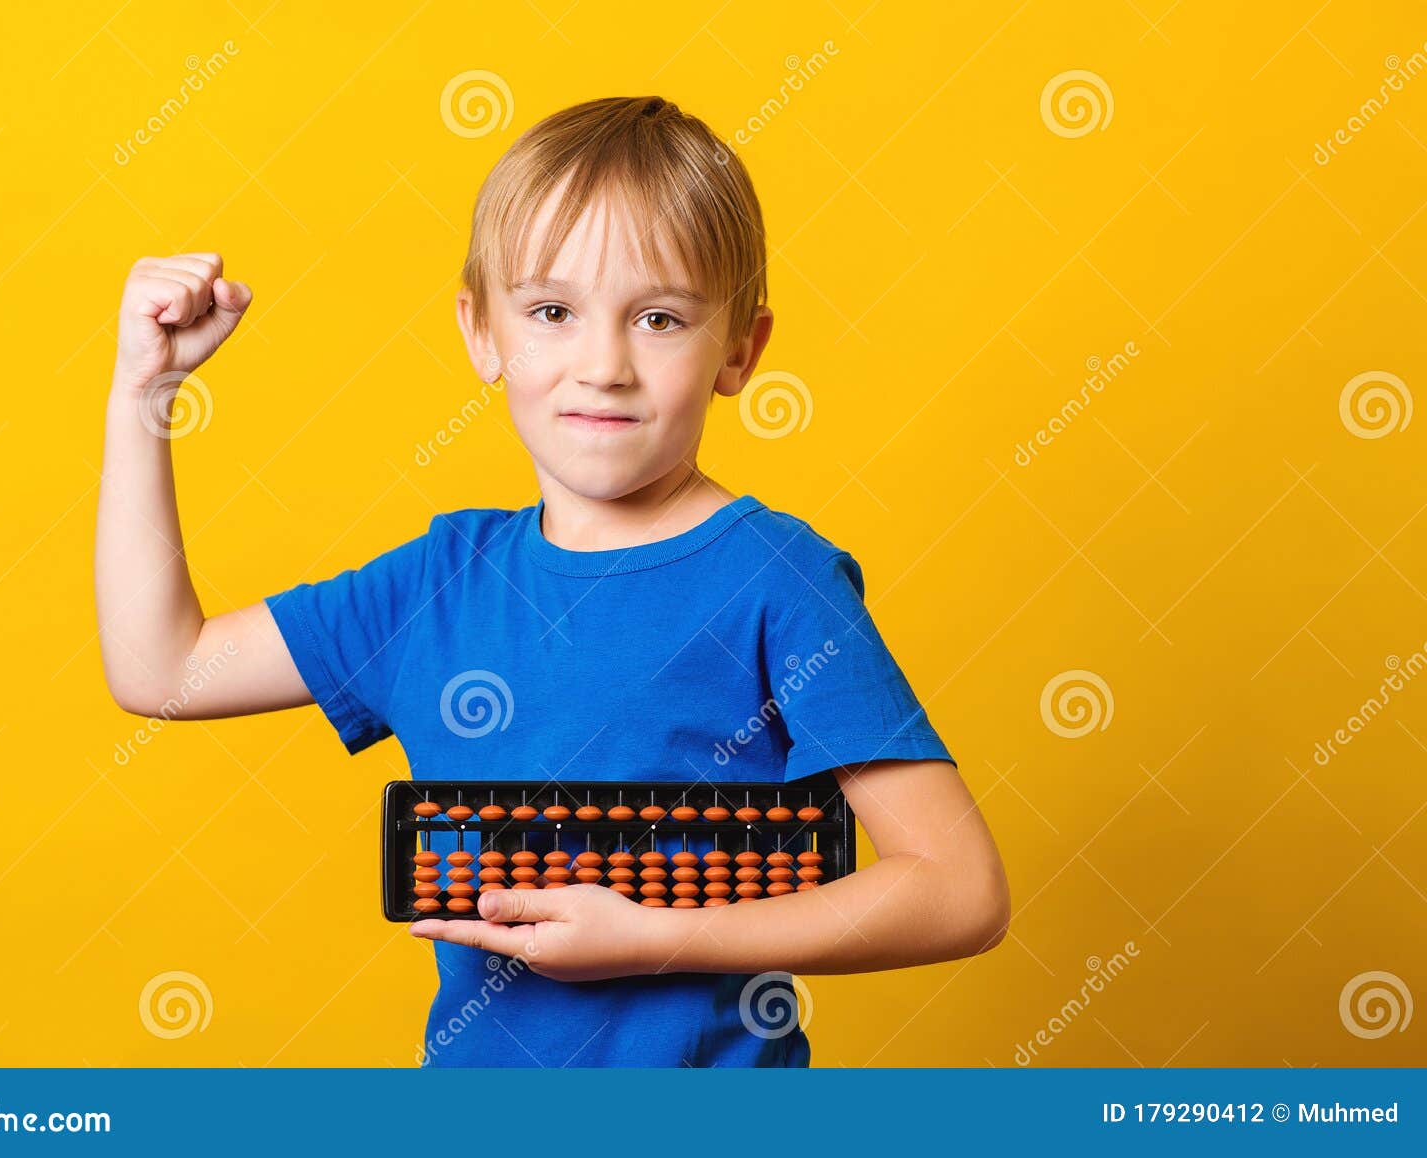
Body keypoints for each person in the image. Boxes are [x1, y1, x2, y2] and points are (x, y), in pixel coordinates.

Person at [94, 95, 1010, 1067]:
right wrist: (144, 393)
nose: (603, 365)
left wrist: (659, 940)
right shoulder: (438, 584)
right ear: (481, 333)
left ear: (741, 349)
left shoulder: (778, 579)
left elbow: (958, 890)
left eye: (659, 318)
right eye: (552, 313)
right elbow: (162, 669)